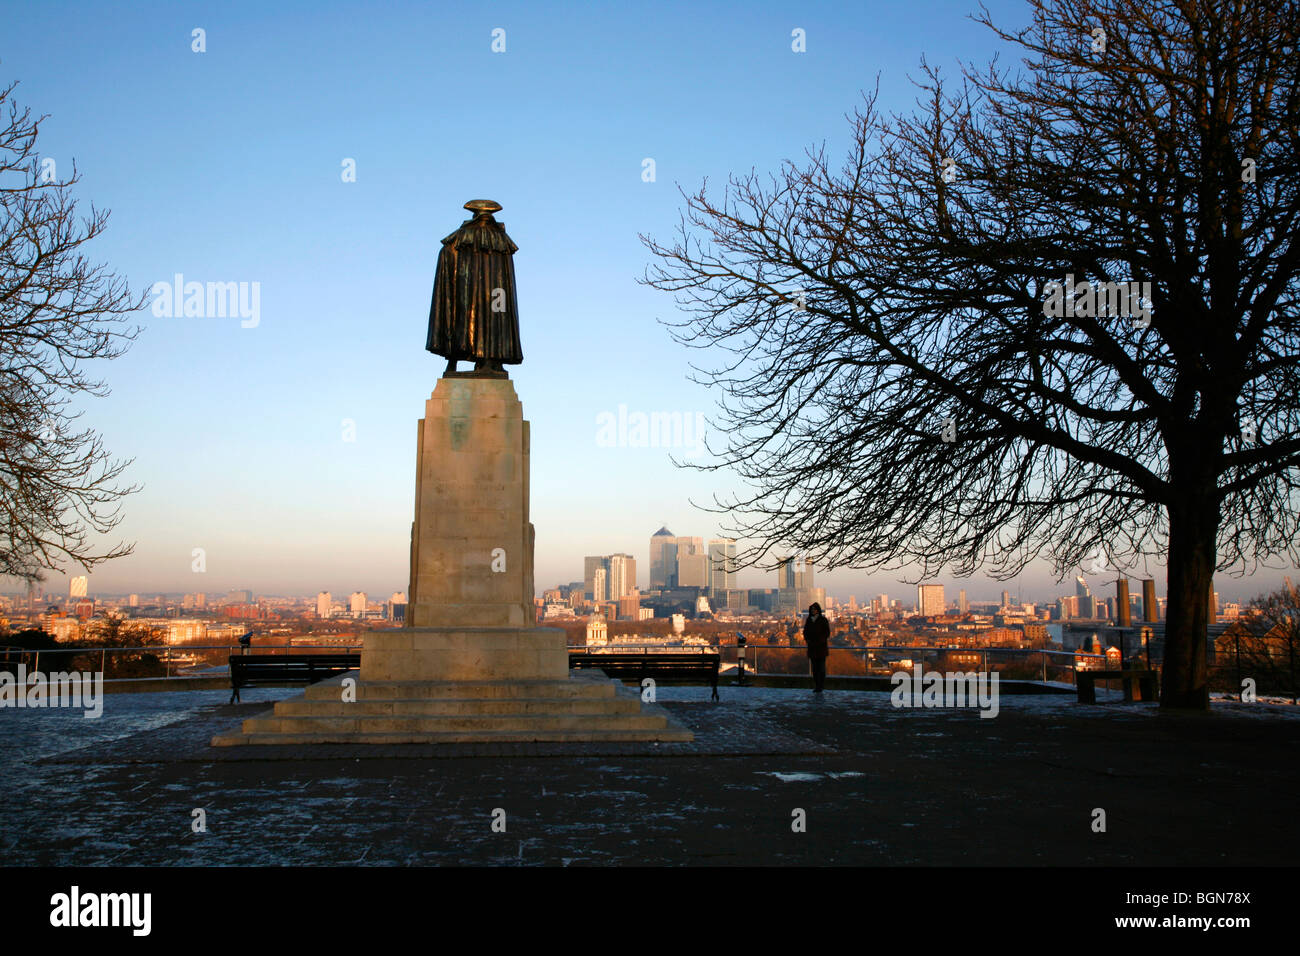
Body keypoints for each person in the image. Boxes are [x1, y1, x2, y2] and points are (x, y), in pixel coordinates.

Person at [804, 603, 829, 693]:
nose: (813, 611)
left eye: (815, 609)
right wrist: (808, 640)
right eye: (812, 609)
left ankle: (821, 685)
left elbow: (827, 633)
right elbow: (805, 632)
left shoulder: (823, 620)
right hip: (812, 648)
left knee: (821, 668)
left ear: (818, 610)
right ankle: (817, 685)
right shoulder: (809, 620)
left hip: (820, 648)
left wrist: (820, 640)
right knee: (815, 668)